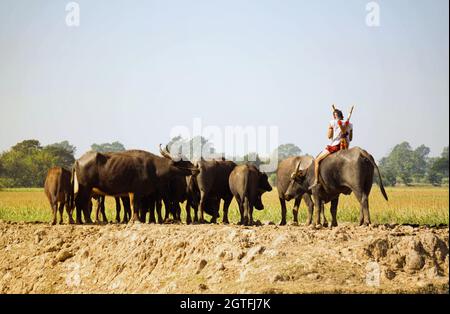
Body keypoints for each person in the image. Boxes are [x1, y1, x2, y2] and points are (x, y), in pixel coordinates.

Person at [309, 108, 353, 189]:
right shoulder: (350, 124)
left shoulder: (332, 122)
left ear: (334, 116)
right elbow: (350, 138)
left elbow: (329, 136)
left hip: (335, 146)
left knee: (317, 161)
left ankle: (316, 181)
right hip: (344, 146)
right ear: (341, 115)